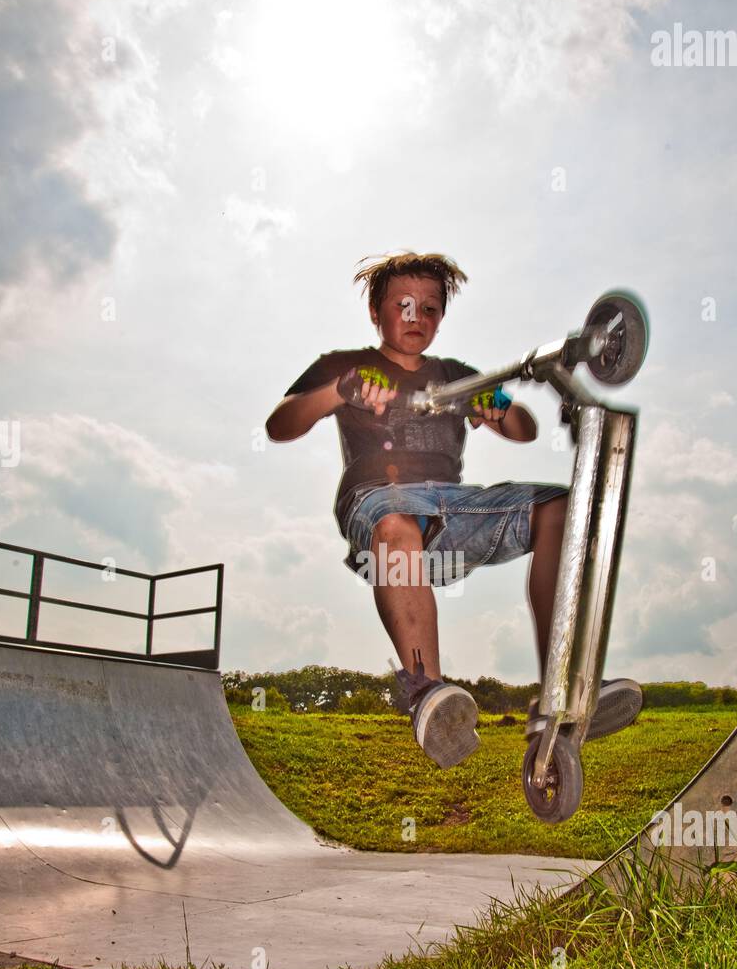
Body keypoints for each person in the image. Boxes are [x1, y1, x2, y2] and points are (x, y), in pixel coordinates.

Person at [266, 251, 641, 769]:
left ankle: (565, 687)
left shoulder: (455, 375)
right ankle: (427, 694)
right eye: (402, 305)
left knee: (561, 508)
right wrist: (338, 392)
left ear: (441, 316)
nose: (416, 318)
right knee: (396, 520)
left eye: (429, 308)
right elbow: (280, 425)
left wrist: (495, 412)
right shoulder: (345, 365)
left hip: (455, 509)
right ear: (377, 313)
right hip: (378, 500)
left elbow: (524, 428)